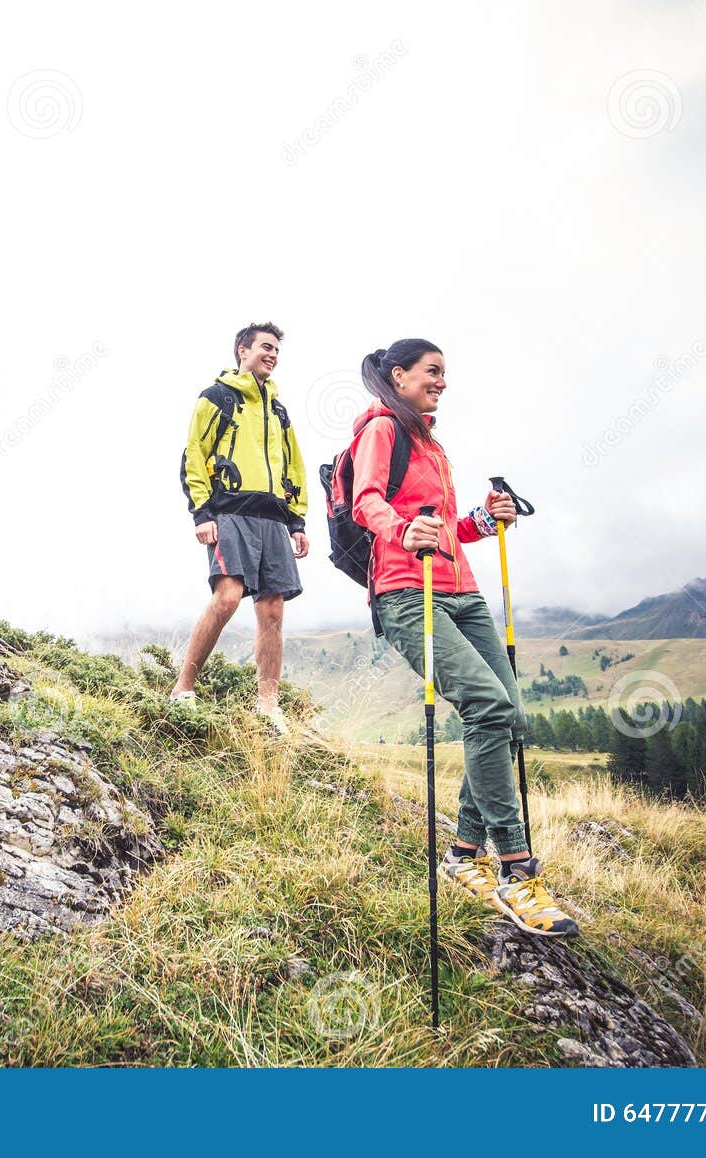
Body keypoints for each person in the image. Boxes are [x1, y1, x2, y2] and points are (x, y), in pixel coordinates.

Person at [350, 339, 579, 937]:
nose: (442, 381)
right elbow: (365, 502)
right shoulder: (381, 428)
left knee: (512, 715)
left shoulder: (431, 443)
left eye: (445, 373)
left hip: (463, 590)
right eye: (432, 372)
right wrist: (404, 531)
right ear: (398, 376)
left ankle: (462, 854)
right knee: (485, 704)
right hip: (407, 591)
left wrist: (480, 519)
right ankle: (514, 867)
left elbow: (444, 529)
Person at [172, 322, 308, 732]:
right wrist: (202, 513)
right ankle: (183, 690)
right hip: (229, 511)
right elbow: (194, 454)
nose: (273, 355)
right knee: (227, 597)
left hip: (273, 518)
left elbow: (294, 465)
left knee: (272, 609)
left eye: (276, 350)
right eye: (266, 347)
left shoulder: (279, 410)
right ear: (242, 350)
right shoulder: (216, 397)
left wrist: (297, 519)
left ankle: (268, 707)